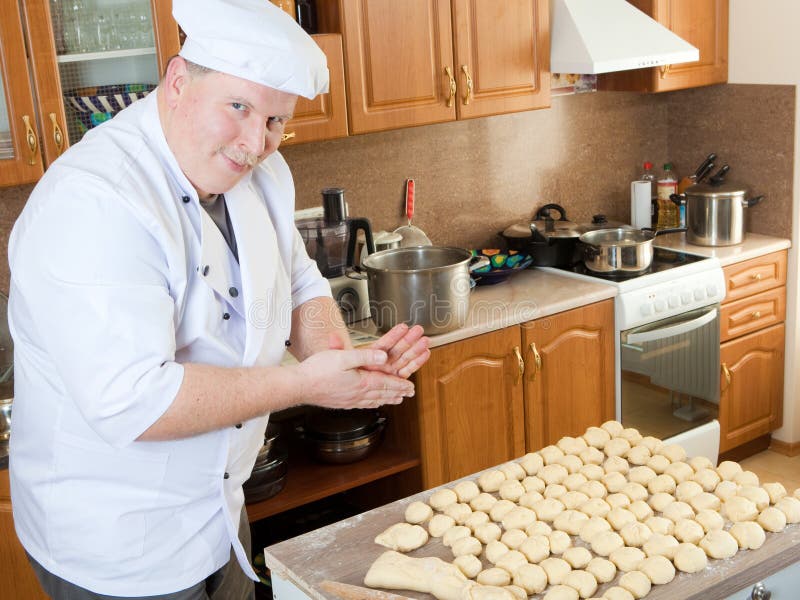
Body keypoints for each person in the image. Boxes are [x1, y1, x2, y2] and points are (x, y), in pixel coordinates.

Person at [7, 0, 430, 598]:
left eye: (277, 121)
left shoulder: (263, 175)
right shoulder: (95, 202)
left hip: (219, 510)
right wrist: (307, 384)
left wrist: (346, 359)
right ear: (179, 83)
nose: (256, 142)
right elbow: (133, 402)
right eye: (239, 107)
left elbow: (300, 284)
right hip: (115, 542)